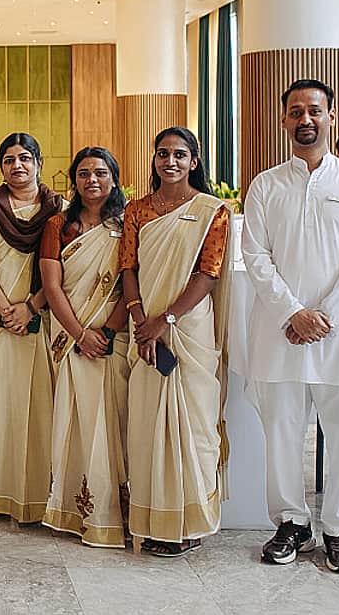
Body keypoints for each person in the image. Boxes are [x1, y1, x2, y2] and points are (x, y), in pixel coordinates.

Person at [242, 80, 339, 574]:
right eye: (296, 111)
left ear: (330, 117)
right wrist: (292, 313)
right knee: (281, 429)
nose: (306, 119)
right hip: (281, 332)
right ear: (283, 121)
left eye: (315, 111)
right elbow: (255, 256)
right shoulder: (265, 185)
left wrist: (325, 315)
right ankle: (291, 523)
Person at [120, 126, 230, 557]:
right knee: (148, 425)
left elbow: (208, 273)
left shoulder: (211, 211)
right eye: (163, 153)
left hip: (188, 328)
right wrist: (139, 319)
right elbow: (128, 267)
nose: (171, 162)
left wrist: (167, 319)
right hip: (145, 325)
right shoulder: (138, 211)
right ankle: (154, 519)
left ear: (194, 161)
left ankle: (192, 520)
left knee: (194, 424)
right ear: (154, 159)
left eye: (180, 155)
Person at [0, 133, 64, 522]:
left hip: (41, 313)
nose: (17, 166)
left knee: (40, 400)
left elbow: (62, 263)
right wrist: (7, 309)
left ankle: (38, 496)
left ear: (38, 162)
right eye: (8, 160)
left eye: (24, 158)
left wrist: (30, 307)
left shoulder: (58, 207)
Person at [39, 147, 131, 548]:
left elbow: (133, 281)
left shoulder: (128, 224)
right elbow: (52, 286)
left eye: (100, 173)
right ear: (73, 181)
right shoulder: (59, 225)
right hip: (70, 338)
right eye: (83, 174)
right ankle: (76, 509)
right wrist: (80, 334)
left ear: (113, 177)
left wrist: (106, 333)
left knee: (117, 423)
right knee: (77, 422)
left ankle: (121, 509)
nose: (91, 180)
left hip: (114, 339)